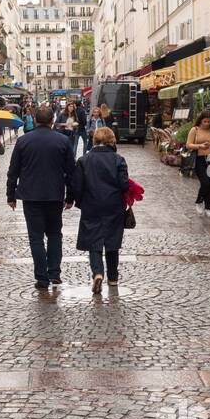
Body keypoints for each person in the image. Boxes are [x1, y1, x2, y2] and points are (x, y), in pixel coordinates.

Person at [6, 105, 74, 294]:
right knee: (54, 234)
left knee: (35, 238)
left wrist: (10, 195)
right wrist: (71, 196)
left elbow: (13, 171)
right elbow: (71, 172)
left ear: (35, 120)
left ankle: (41, 277)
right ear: (52, 121)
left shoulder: (23, 141)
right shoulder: (63, 140)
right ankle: (54, 272)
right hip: (54, 195)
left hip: (31, 196)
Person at [70, 126, 130, 295]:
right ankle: (113, 277)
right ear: (112, 141)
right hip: (113, 205)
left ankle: (97, 273)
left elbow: (77, 186)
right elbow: (124, 185)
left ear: (95, 141)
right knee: (112, 242)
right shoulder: (119, 159)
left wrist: (80, 203)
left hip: (91, 205)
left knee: (93, 241)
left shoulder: (83, 160)